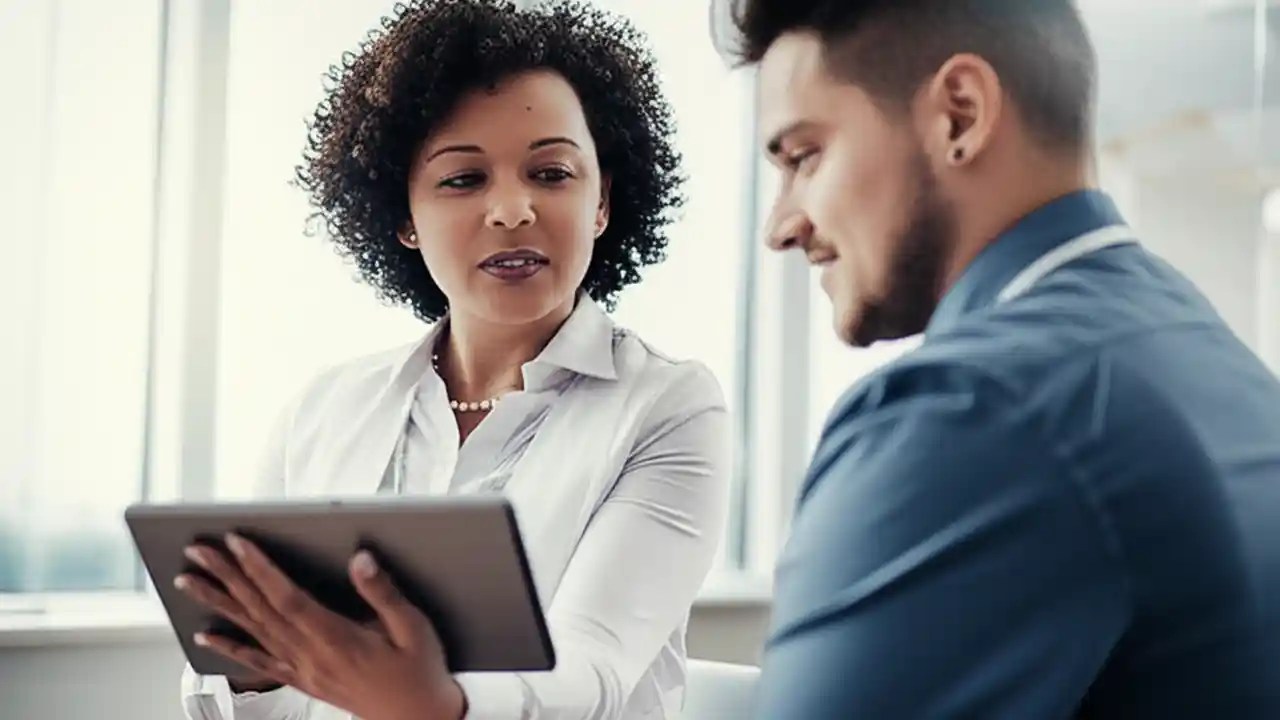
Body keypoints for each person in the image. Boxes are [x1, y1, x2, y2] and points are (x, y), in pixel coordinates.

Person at [718, 0, 1280, 717]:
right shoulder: (1202, 351)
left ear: (960, 114)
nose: (781, 225)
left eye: (804, 157)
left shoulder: (970, 410)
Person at [174, 2, 730, 719]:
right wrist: (250, 668)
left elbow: (592, 673)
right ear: (403, 215)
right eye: (463, 180)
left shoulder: (668, 407)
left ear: (602, 203)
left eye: (552, 172)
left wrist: (434, 700)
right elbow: (251, 706)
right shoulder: (322, 411)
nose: (512, 210)